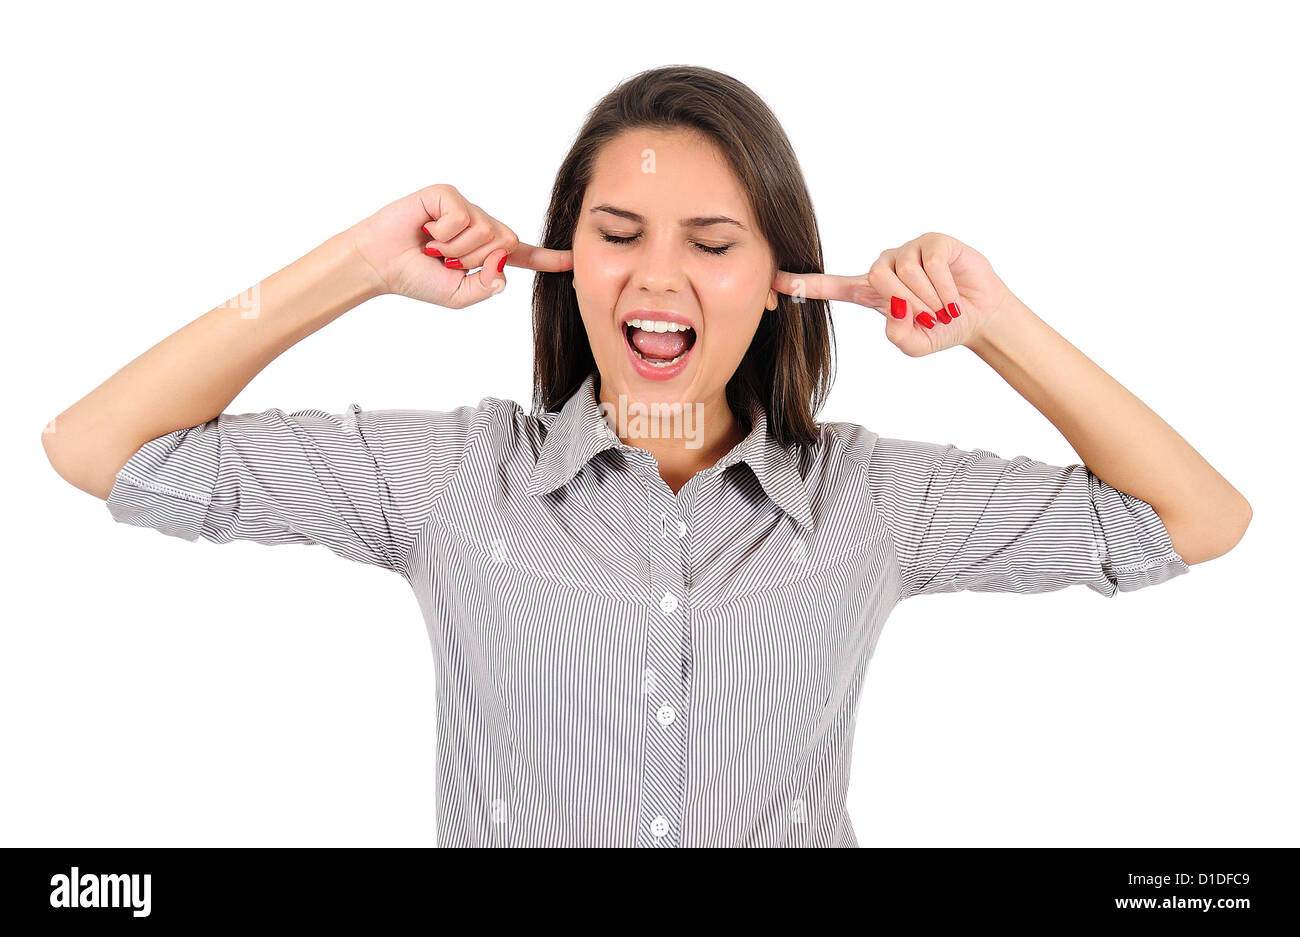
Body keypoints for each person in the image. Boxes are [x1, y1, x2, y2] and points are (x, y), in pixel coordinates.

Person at [41, 65, 1251, 848]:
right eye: (616, 234)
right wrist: (358, 264)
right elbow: (101, 447)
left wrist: (997, 324)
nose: (658, 276)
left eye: (713, 242)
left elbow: (1193, 520)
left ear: (782, 284)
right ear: (563, 263)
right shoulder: (450, 479)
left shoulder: (878, 499)